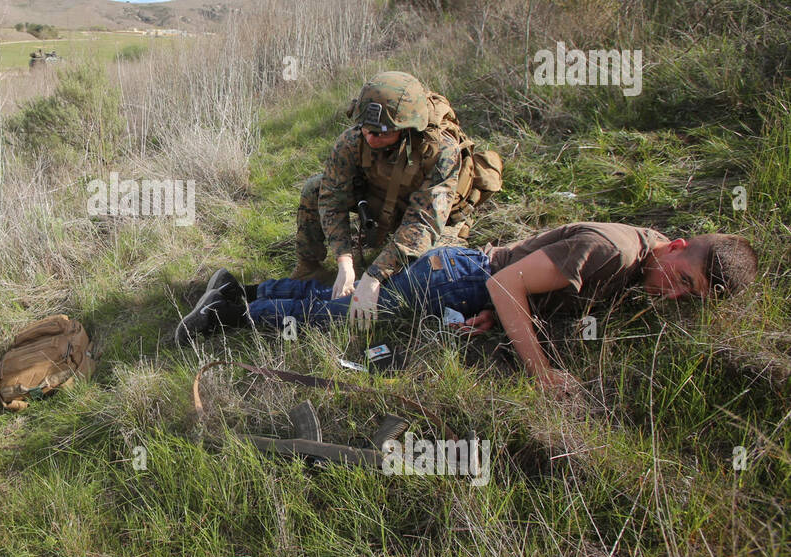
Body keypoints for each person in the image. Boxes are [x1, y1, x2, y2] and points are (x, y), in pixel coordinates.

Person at [176, 222, 758, 395]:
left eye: (689, 296)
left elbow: (529, 293)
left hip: (468, 285)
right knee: (350, 317)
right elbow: (508, 284)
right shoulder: (613, 251)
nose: (673, 292)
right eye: (682, 279)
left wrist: (506, 325)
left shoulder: (644, 250)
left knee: (347, 303)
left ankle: (244, 291)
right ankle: (233, 318)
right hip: (463, 280)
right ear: (678, 248)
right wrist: (540, 371)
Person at [294, 72, 501, 327]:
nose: (370, 138)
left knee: (433, 271)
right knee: (314, 187)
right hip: (385, 200)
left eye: (381, 133)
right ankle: (308, 269)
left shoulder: (441, 151)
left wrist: (374, 276)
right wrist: (344, 260)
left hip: (438, 218)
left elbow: (424, 223)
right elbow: (331, 198)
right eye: (366, 130)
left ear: (407, 129)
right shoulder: (355, 139)